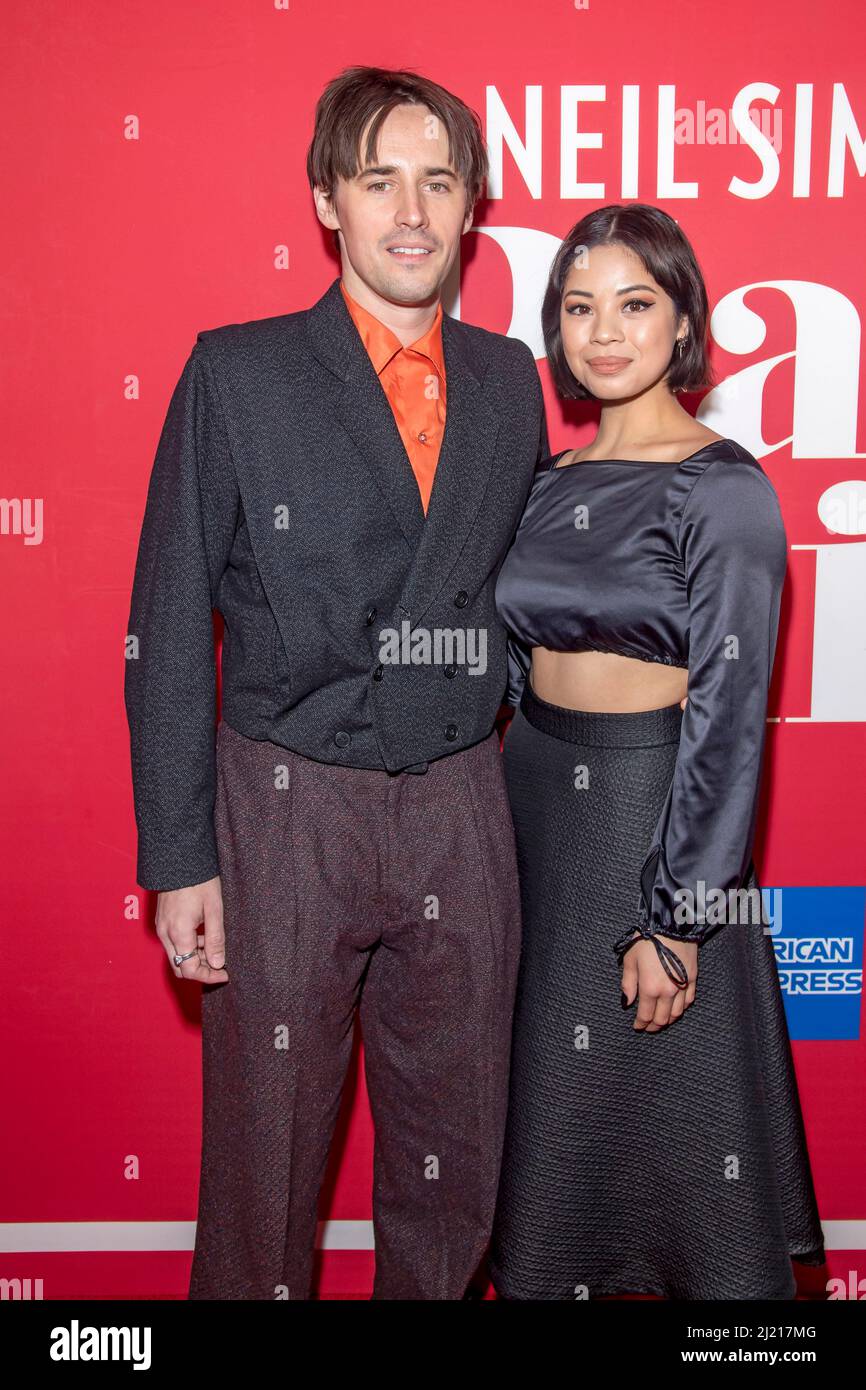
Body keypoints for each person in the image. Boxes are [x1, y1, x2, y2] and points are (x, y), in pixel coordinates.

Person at [123, 65, 550, 1300]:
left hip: (463, 809)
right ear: (326, 200)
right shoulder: (236, 374)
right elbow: (162, 617)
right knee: (263, 1166)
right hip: (285, 809)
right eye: (378, 180)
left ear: (471, 206)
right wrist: (178, 853)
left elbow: (517, 602)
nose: (409, 211)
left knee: (454, 1164)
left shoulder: (508, 378)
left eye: (437, 180)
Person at [489, 203, 825, 1300]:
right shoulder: (542, 480)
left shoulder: (722, 488)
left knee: (694, 1168)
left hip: (652, 820)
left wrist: (674, 915)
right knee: (557, 1142)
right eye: (578, 306)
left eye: (634, 303)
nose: (604, 331)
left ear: (681, 322)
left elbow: (729, 712)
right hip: (535, 814)